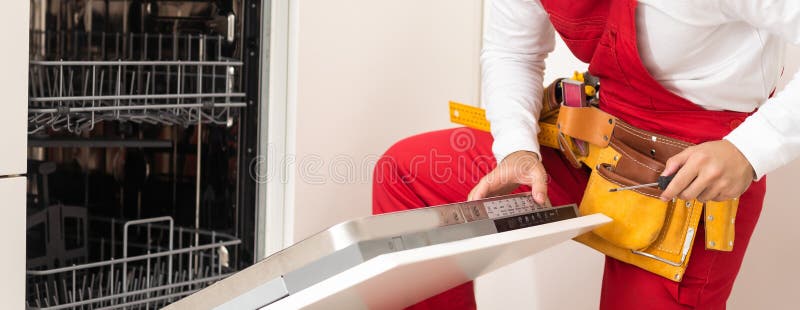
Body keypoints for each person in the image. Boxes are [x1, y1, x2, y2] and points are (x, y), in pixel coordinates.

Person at [372, 0, 800, 309]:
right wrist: (517, 148)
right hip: (593, 138)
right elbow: (512, 51)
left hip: (690, 174)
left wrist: (749, 149)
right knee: (411, 174)